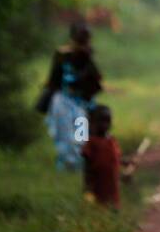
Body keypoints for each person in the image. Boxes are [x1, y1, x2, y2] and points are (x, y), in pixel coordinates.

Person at [36, 21, 104, 170]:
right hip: (63, 100)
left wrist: (87, 59)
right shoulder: (62, 55)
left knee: (81, 136)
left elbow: (96, 81)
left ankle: (79, 164)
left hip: (82, 103)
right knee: (63, 134)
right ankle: (66, 163)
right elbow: (54, 79)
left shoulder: (88, 57)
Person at [81, 105, 122, 209]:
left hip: (112, 185)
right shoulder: (91, 142)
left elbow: (115, 158)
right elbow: (87, 166)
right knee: (99, 208)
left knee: (113, 207)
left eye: (107, 121)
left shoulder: (112, 140)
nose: (104, 125)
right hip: (98, 185)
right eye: (101, 121)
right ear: (91, 123)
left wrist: (126, 163)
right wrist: (87, 186)